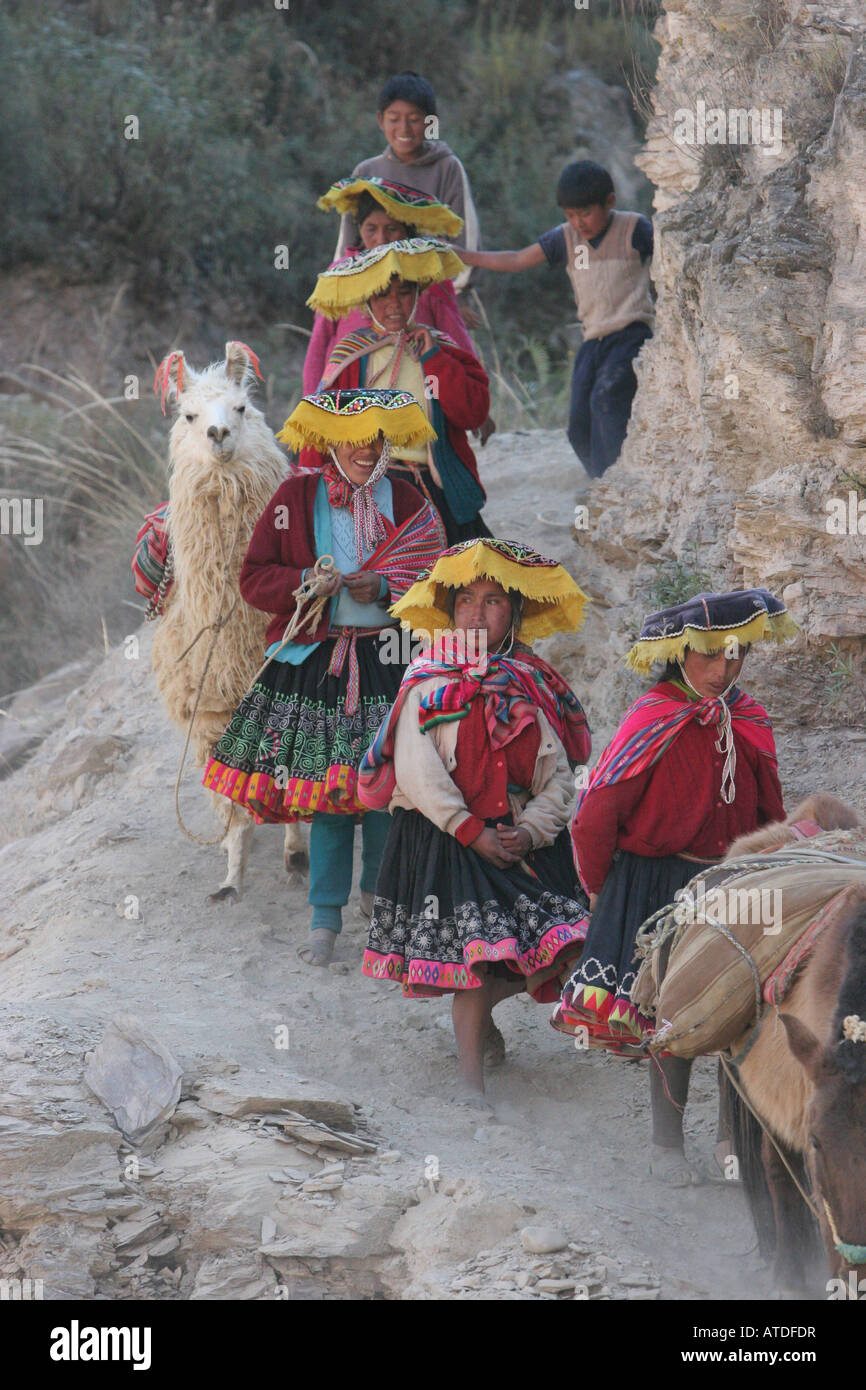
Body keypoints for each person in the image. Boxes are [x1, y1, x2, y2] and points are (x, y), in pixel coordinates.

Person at [552, 588, 798, 1184]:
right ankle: (667, 1145)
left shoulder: (749, 717)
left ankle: (729, 1143)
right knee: (674, 1013)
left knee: (743, 1012)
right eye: (711, 656)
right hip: (659, 881)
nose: (725, 670)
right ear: (682, 651)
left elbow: (769, 810)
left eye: (736, 656)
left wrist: (778, 863)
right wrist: (601, 888)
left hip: (732, 879)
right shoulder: (652, 718)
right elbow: (594, 814)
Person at [203, 388, 446, 967]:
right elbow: (254, 577)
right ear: (329, 442)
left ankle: (379, 900)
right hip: (319, 667)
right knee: (333, 795)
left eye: (376, 437)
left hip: (390, 663)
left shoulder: (409, 499)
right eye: (353, 438)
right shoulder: (295, 496)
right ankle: (325, 917)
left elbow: (436, 579)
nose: (366, 449)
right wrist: (308, 579)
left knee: (391, 791)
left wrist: (384, 589)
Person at [358, 537, 592, 1102]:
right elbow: (417, 770)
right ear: (449, 609)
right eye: (465, 600)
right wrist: (470, 829)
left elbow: (556, 773)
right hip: (445, 838)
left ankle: (482, 1023)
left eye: (492, 601)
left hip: (519, 837)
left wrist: (532, 828)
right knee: (475, 959)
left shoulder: (531, 682)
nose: (477, 613)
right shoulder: (428, 680)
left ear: (515, 611)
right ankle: (471, 1083)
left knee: (571, 942)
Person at [457, 160, 654, 479]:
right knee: (578, 424)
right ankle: (599, 479)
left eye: (586, 213)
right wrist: (466, 257)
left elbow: (672, 254)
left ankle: (616, 482)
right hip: (592, 342)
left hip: (630, 335)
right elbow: (518, 259)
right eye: (571, 215)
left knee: (607, 400)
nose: (579, 223)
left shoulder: (635, 229)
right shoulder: (566, 237)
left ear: (610, 202)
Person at [306, 237, 491, 544]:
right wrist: (310, 496)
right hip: (366, 491)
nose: (394, 304)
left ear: (418, 295)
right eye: (382, 294)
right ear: (366, 300)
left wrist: (434, 359)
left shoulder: (441, 350)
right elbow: (321, 431)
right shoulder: (350, 358)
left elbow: (472, 413)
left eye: (405, 292)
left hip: (432, 488)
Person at [303, 177, 476, 395]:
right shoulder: (340, 276)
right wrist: (311, 401)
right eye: (371, 229)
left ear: (407, 230)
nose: (381, 239)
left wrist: (475, 394)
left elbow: (458, 343)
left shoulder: (430, 275)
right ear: (359, 228)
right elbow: (318, 348)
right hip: (348, 398)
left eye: (392, 229)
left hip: (417, 396)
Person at [333, 71, 482, 298]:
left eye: (414, 120)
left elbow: (467, 241)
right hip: (377, 300)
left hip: (437, 297)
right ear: (380, 120)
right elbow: (347, 242)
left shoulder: (447, 168)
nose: (404, 129)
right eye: (394, 119)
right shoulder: (366, 173)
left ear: (431, 122)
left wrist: (458, 294)